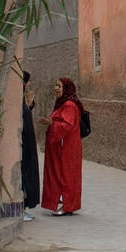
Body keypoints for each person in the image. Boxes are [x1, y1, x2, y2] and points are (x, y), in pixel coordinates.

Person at [39, 77, 83, 216]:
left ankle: (66, 205)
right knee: (61, 173)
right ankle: (63, 203)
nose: (55, 88)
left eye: (59, 85)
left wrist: (51, 124)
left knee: (64, 174)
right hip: (62, 146)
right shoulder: (63, 103)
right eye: (55, 85)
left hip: (66, 147)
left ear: (66, 88)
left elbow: (67, 126)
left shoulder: (69, 105)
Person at [20, 71, 40, 220]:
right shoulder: (17, 102)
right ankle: (21, 207)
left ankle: (24, 206)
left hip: (27, 144)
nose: (29, 85)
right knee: (25, 172)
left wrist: (29, 105)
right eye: (27, 82)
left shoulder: (21, 102)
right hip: (25, 145)